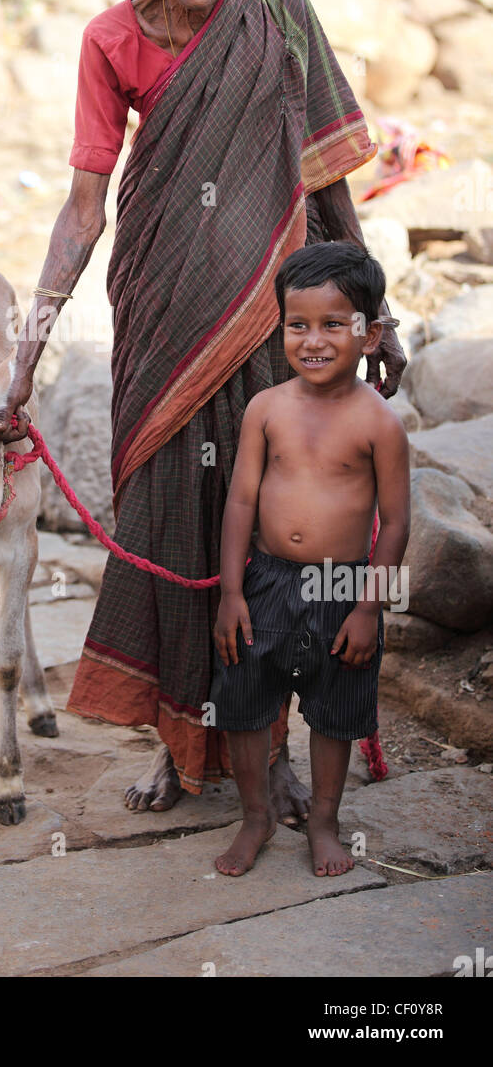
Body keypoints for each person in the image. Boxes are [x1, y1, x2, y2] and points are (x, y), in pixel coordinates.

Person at [0, 0, 406, 819]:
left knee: (273, 530)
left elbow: (325, 175)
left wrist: (374, 309)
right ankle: (180, 749)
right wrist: (28, 351)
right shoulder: (110, 40)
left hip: (270, 312)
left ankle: (276, 752)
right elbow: (84, 207)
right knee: (172, 516)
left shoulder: (278, 11)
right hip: (163, 310)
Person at [211, 242, 410, 876]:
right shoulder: (267, 409)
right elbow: (241, 500)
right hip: (265, 580)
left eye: (333, 324)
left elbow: (396, 523)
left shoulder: (379, 423)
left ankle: (324, 822)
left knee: (335, 708)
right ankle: (255, 817)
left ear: (370, 334)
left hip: (342, 588)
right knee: (245, 699)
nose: (313, 340)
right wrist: (232, 592)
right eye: (298, 324)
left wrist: (368, 610)